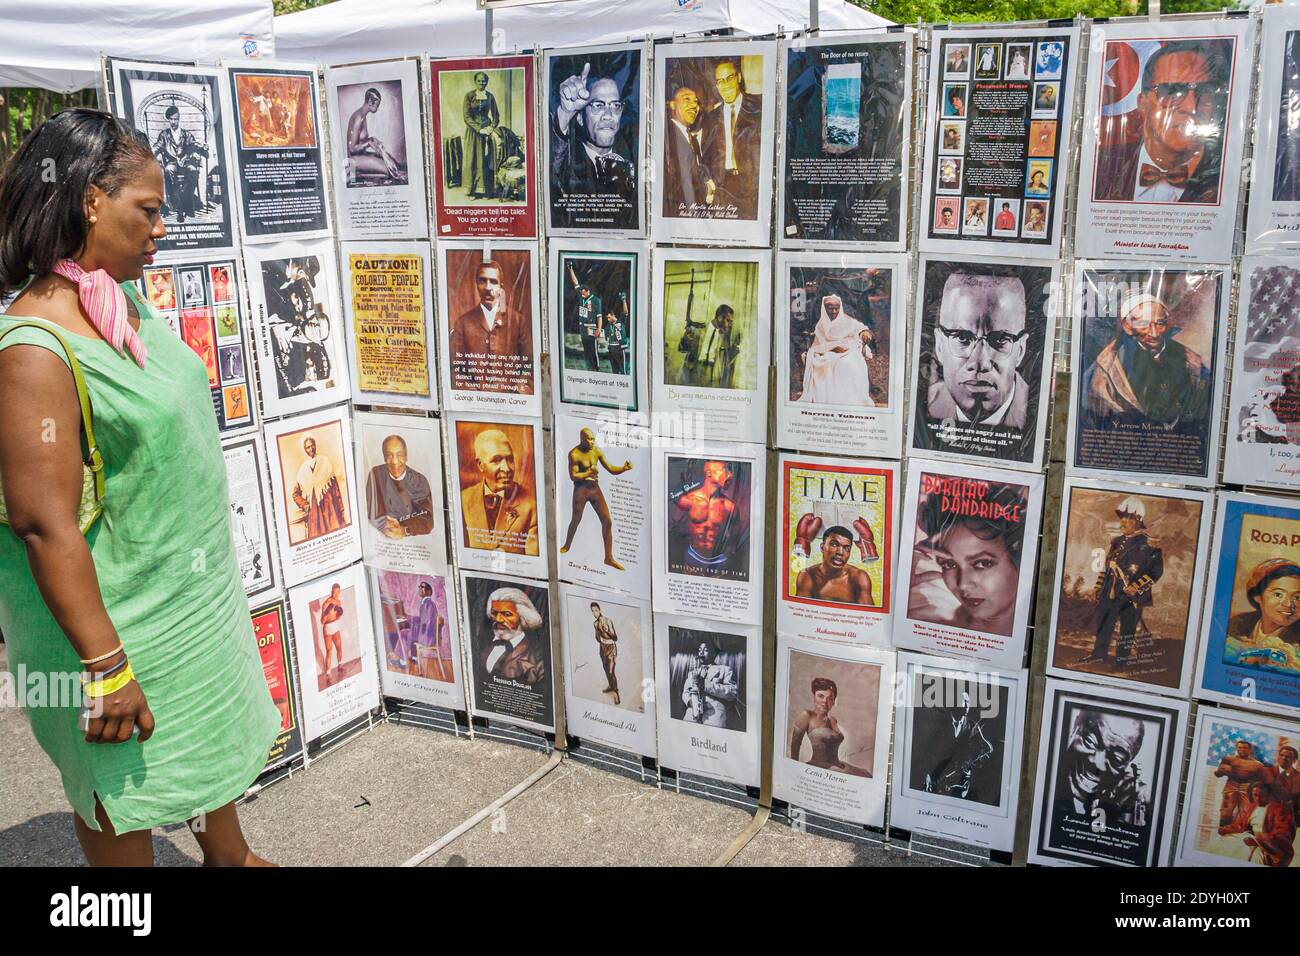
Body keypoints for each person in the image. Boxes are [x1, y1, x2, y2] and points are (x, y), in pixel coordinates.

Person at [0, 109, 279, 865]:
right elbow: (42, 526)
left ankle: (230, 856)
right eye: (147, 210)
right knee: (121, 792)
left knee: (200, 745)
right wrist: (107, 667)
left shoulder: (115, 301)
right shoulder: (34, 350)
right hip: (113, 632)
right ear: (90, 200)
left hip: (182, 606)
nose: (161, 228)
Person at [1094, 41, 1228, 203]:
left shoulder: (1227, 178)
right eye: (1172, 91)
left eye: (1205, 92)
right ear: (1143, 104)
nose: (1190, 106)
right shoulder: (1100, 166)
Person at [1083, 290, 1211, 429]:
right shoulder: (1105, 368)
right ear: (1127, 326)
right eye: (1144, 324)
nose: (1154, 333)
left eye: (1160, 323)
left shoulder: (1193, 364)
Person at [911, 483, 1024, 637]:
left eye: (983, 563)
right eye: (949, 564)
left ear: (1018, 561)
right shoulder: (924, 626)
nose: (963, 584)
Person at [926, 272, 1030, 428]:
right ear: (939, 346)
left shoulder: (1038, 413)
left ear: (1020, 350)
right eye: (962, 337)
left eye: (1000, 340)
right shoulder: (924, 407)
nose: (979, 362)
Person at [1080, 497, 1163, 668]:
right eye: (1122, 517)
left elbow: (1155, 572)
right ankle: (1098, 655)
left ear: (1138, 521)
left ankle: (1121, 663)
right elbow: (1107, 567)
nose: (1123, 522)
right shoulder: (1116, 542)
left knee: (1127, 630)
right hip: (1109, 593)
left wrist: (1136, 587)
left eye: (1128, 518)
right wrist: (1098, 587)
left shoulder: (1149, 546)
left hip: (1130, 597)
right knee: (1104, 624)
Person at [551, 63, 636, 204]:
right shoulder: (568, 163)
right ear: (580, 118)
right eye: (598, 105)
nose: (609, 115)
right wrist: (565, 113)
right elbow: (552, 169)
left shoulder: (633, 156)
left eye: (615, 105)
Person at [448, 259, 531, 393]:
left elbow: (528, 366)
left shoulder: (517, 320)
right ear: (476, 284)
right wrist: (473, 396)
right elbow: (455, 369)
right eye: (482, 280)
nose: (488, 287)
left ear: (500, 286)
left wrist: (516, 394)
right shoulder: (463, 323)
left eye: (493, 281)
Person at [1054, 710, 1150, 825]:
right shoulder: (1048, 779)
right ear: (1074, 730)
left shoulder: (1123, 802)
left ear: (1128, 764)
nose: (1098, 765)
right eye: (1090, 741)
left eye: (1117, 759)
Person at [558, 427, 631, 569]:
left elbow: (610, 468)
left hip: (594, 488)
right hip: (581, 489)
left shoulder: (596, 451)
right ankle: (567, 545)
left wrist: (623, 468)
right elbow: (573, 476)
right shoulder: (574, 454)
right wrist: (589, 472)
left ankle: (608, 558)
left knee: (607, 521)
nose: (592, 442)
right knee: (576, 520)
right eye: (589, 439)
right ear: (582, 439)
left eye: (593, 439)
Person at [459, 428, 539, 556]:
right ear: (480, 465)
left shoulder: (532, 506)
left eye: (510, 459)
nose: (506, 468)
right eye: (496, 460)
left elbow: (533, 563)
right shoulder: (463, 499)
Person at [701, 59, 763, 219]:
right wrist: (709, 180)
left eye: (729, 78)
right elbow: (706, 156)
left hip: (753, 186)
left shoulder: (759, 107)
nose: (725, 85)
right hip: (723, 186)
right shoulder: (711, 118)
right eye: (720, 81)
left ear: (739, 78)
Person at [1223, 558, 1300, 672]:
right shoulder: (1237, 624)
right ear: (1258, 596)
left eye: (1297, 597)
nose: (1288, 604)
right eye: (1278, 594)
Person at [920, 689, 996, 801]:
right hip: (937, 777)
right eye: (964, 701)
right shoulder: (940, 721)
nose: (967, 705)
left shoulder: (972, 725)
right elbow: (927, 751)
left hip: (959, 779)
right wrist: (927, 776)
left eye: (968, 702)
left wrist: (972, 764)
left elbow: (987, 748)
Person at [798, 294, 873, 405]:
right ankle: (832, 399)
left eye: (836, 309)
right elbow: (817, 346)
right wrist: (832, 348)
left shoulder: (846, 319)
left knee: (851, 362)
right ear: (825, 309)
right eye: (830, 309)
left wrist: (865, 332)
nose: (834, 312)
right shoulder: (821, 325)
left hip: (847, 350)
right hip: (827, 353)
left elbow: (860, 327)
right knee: (829, 364)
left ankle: (850, 399)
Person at [788, 677, 871, 777]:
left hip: (838, 765)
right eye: (820, 696)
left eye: (830, 698)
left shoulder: (833, 720)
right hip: (820, 766)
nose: (824, 701)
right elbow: (795, 746)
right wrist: (794, 771)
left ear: (833, 701)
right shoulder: (806, 715)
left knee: (866, 773)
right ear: (814, 697)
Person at [671, 459, 741, 574]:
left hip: (718, 567)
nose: (730, 474)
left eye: (730, 470)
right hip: (692, 564)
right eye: (725, 469)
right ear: (709, 473)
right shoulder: (689, 499)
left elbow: (734, 542)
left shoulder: (730, 507)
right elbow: (673, 526)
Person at [365, 433, 434, 539]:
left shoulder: (420, 481)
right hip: (380, 537)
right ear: (384, 457)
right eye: (389, 455)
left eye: (400, 455)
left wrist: (404, 530)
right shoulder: (376, 474)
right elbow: (370, 508)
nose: (394, 461)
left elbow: (428, 519)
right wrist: (383, 523)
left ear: (406, 457)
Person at [794, 523, 877, 606]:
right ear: (822, 547)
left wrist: (868, 548)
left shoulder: (859, 577)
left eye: (846, 548)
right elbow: (801, 612)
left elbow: (868, 616)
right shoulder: (807, 576)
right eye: (834, 544)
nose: (840, 552)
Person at [152, 104, 207, 223]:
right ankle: (182, 205)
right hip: (172, 163)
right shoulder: (164, 135)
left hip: (185, 163)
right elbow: (157, 147)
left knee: (193, 170)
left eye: (175, 119)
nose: (173, 122)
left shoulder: (186, 134)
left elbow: (194, 145)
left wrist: (203, 148)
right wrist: (149, 152)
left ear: (179, 118)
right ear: (168, 120)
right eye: (171, 119)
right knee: (168, 170)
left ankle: (183, 201)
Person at [480, 586, 545, 686]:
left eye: (506, 614)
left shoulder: (535, 657)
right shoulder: (485, 644)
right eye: (494, 613)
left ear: (522, 617)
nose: (498, 619)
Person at [663, 85, 713, 213]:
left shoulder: (692, 140)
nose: (694, 106)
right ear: (673, 105)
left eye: (696, 101)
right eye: (687, 99)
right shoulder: (666, 137)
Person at [291, 434, 348, 541]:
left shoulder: (325, 461)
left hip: (329, 506)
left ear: (315, 446)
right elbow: (295, 494)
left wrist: (340, 507)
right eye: (308, 447)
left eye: (312, 445)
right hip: (314, 510)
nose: (311, 448)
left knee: (335, 535)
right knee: (318, 538)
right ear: (305, 450)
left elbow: (335, 487)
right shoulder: (303, 469)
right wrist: (304, 504)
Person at [346, 87, 405, 185]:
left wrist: (372, 139)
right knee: (388, 170)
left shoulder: (362, 116)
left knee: (391, 162)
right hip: (354, 160)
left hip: (361, 156)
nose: (377, 108)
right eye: (377, 105)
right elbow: (352, 148)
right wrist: (368, 143)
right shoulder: (358, 117)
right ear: (370, 102)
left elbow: (361, 140)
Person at [1214, 740, 1272, 835]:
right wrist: (1221, 771)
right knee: (1226, 811)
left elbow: (1264, 781)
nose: (1241, 750)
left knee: (1245, 812)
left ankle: (1243, 834)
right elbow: (1217, 774)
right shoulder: (1228, 759)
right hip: (1231, 785)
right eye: (1239, 747)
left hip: (1247, 787)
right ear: (1236, 748)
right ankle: (1222, 831)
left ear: (1250, 750)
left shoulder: (1258, 765)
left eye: (1245, 748)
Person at [682, 638, 739, 727]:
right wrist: (690, 702)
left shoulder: (725, 670)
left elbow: (733, 693)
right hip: (692, 714)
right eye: (699, 650)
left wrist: (705, 685)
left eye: (706, 650)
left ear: (714, 654)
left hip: (715, 715)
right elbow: (685, 693)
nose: (701, 653)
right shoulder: (692, 673)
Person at [462, 71, 499, 199]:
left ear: (487, 82)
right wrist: (479, 129)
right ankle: (472, 191)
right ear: (475, 81)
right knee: (472, 159)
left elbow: (496, 116)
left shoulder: (490, 96)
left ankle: (485, 191)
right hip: (473, 132)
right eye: (479, 80)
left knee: (485, 160)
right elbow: (466, 117)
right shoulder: (469, 96)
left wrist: (491, 127)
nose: (482, 83)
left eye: (484, 81)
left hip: (486, 133)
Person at [412, 581, 452, 683]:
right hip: (428, 635)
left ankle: (409, 661)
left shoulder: (428, 604)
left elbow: (425, 623)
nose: (420, 589)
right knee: (408, 632)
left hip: (428, 638)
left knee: (407, 634)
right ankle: (411, 659)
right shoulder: (426, 603)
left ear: (429, 591)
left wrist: (412, 622)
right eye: (419, 586)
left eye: (423, 587)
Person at [566, 263, 603, 370]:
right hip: (582, 328)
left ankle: (597, 368)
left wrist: (599, 329)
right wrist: (571, 269)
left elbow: (599, 316)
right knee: (586, 349)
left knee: (593, 349)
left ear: (588, 292)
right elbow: (575, 282)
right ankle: (590, 368)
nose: (581, 295)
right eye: (581, 293)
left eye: (583, 293)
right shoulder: (582, 297)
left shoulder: (596, 301)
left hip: (591, 327)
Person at [589, 602, 620, 706]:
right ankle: (611, 686)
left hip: (611, 648)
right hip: (602, 648)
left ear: (600, 610)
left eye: (596, 610)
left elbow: (615, 638)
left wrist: (608, 631)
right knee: (606, 669)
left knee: (611, 672)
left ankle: (616, 694)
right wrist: (598, 633)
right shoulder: (595, 623)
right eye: (592, 611)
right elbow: (597, 639)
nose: (595, 613)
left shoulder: (608, 621)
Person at [318, 584, 346, 687]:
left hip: (335, 626)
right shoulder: (326, 603)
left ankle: (340, 665)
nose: (336, 594)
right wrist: (326, 613)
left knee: (339, 647)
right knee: (329, 651)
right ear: (331, 591)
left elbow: (337, 617)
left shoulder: (338, 602)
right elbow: (322, 621)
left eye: (338, 592)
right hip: (327, 628)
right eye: (335, 592)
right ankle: (328, 673)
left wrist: (339, 614)